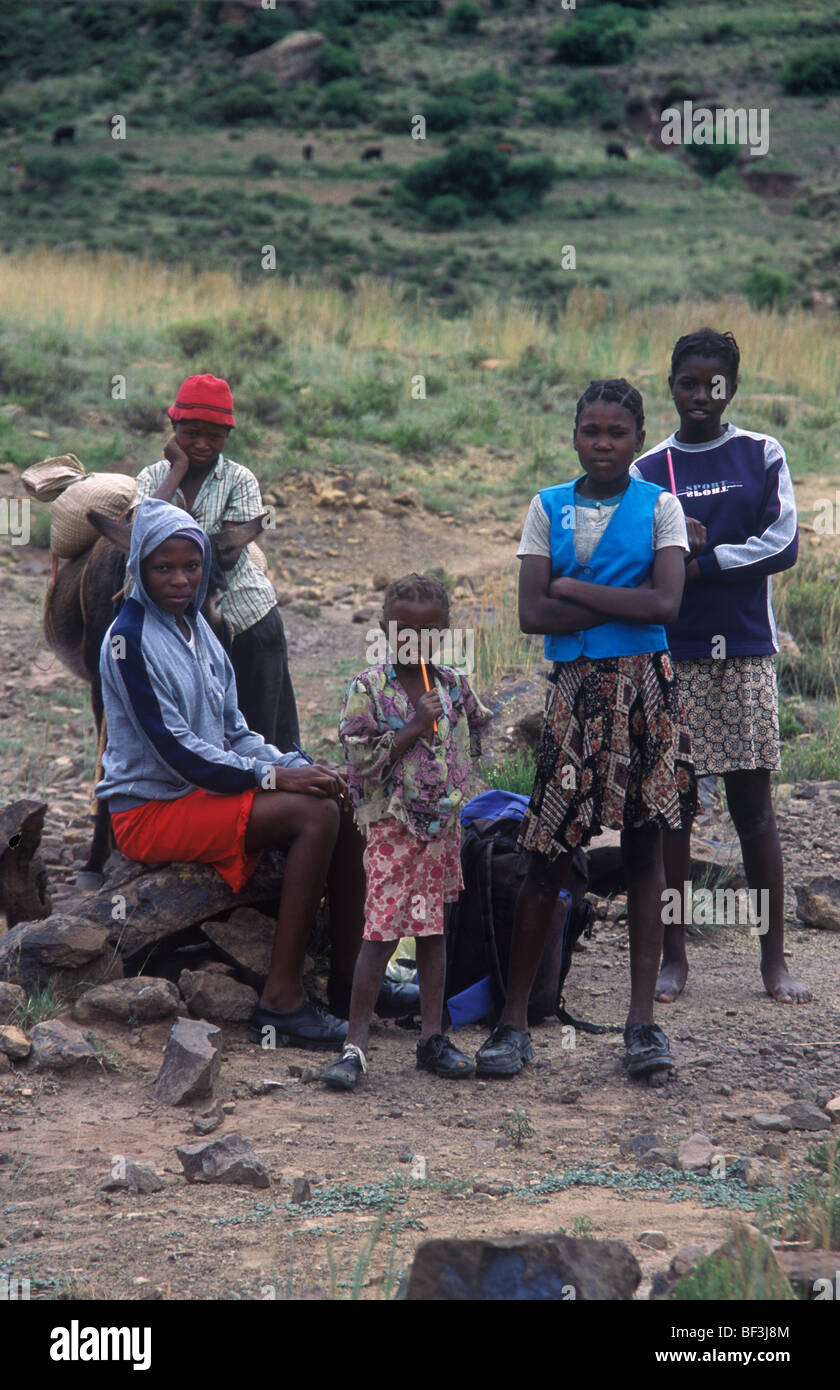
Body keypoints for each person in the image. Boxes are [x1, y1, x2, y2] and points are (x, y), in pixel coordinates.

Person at [474, 379, 696, 1083]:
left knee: (643, 850)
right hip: (575, 694)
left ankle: (642, 1026)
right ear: (574, 435)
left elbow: (667, 602)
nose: (604, 445)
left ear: (639, 439)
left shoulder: (661, 506)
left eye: (618, 433)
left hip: (646, 696)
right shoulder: (547, 508)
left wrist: (573, 589)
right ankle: (513, 1022)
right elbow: (532, 616)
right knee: (548, 851)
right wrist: (616, 608)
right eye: (591, 432)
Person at [96, 497, 364, 1051]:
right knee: (312, 815)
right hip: (151, 809)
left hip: (199, 793)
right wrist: (273, 781)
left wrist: (297, 765)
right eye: (162, 567)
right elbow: (180, 753)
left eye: (190, 567)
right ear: (139, 568)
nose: (179, 579)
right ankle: (282, 1001)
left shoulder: (198, 631)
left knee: (336, 799)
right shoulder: (128, 641)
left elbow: (234, 731)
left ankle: (353, 984)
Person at [632, 328, 811, 1004]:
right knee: (674, 812)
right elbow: (636, 554)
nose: (700, 395)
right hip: (671, 653)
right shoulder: (650, 469)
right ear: (672, 385)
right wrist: (674, 545)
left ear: (731, 386)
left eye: (715, 383)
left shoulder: (762, 453)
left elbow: (784, 543)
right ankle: (674, 959)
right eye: (688, 382)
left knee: (753, 810)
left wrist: (698, 561)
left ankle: (775, 961)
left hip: (743, 653)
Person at [321, 573, 492, 1090]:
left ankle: (431, 1040)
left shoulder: (453, 683)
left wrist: (468, 759)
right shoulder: (367, 688)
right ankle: (355, 1045)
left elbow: (478, 724)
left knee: (433, 931)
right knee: (380, 934)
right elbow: (359, 767)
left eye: (428, 630)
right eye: (402, 630)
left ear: (444, 632)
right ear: (382, 629)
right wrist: (414, 728)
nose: (413, 641)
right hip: (392, 829)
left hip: (441, 829)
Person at [132, 373, 299, 750]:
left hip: (245, 617)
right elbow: (141, 533)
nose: (202, 444)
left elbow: (227, 552)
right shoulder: (152, 477)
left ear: (228, 436)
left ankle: (275, 799)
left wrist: (167, 545)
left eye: (214, 435)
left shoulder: (239, 479)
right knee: (193, 733)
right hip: (174, 621)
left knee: (263, 731)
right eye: (191, 433)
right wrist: (176, 471)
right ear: (174, 427)